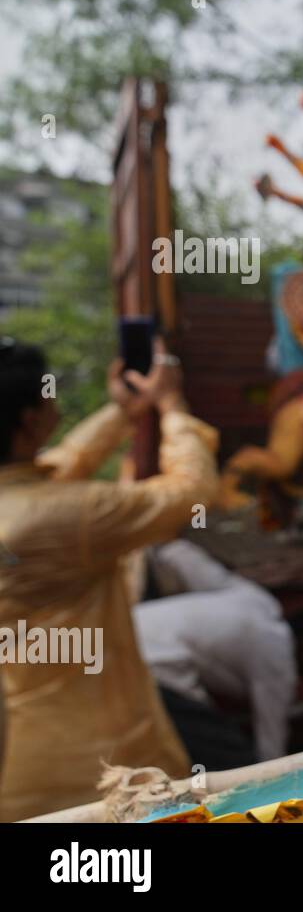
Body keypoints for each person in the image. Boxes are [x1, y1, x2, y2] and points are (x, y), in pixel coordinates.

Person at [0, 337, 216, 821]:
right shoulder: (75, 514)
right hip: (99, 768)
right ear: (31, 419)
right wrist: (172, 406)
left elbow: (54, 467)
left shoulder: (36, 506)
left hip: (14, 762)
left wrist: (122, 412)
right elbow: (190, 492)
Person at [133, 539, 298, 765]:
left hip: (133, 630)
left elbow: (180, 556)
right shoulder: (277, 654)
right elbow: (272, 732)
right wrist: (270, 774)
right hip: (157, 656)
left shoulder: (249, 595)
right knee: (220, 749)